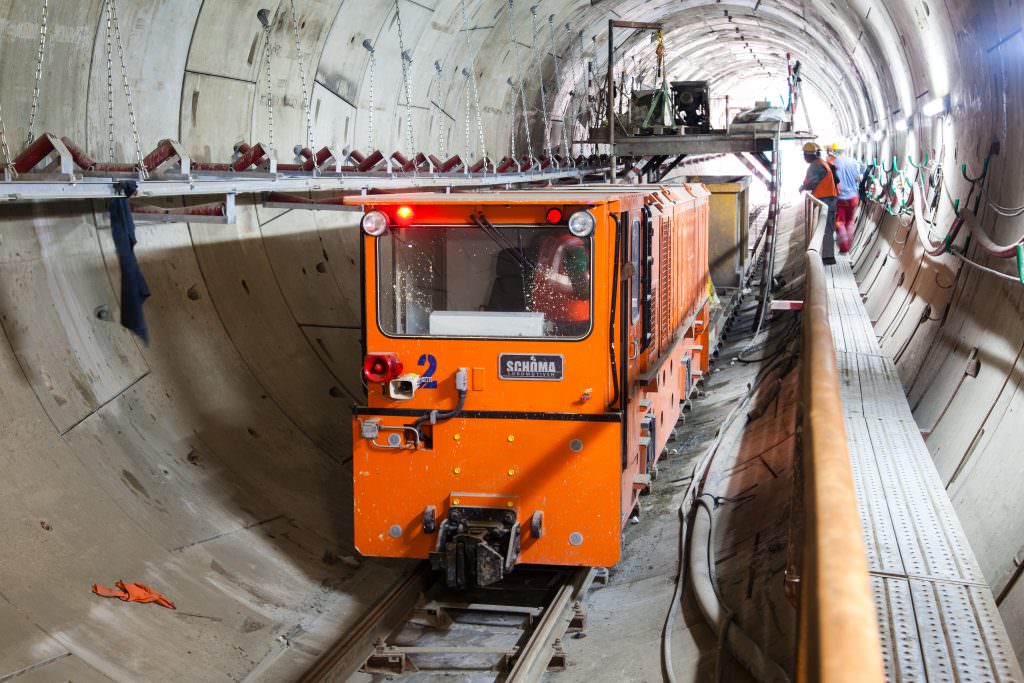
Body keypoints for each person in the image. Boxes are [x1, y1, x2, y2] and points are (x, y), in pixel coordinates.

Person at [799, 141, 839, 264]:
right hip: (830, 200)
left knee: (825, 229)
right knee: (828, 228)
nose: (804, 157)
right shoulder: (822, 163)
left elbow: (812, 182)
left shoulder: (815, 166)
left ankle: (827, 258)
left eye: (805, 155)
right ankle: (827, 255)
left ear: (811, 155)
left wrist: (802, 187)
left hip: (825, 201)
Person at [828, 142, 866, 252]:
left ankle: (844, 247)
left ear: (834, 151)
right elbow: (859, 177)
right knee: (850, 221)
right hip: (853, 197)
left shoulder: (833, 164)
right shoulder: (853, 162)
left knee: (840, 222)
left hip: (840, 198)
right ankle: (849, 244)